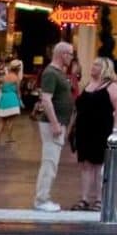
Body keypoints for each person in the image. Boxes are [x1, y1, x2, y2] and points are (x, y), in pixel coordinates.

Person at [70, 56, 117, 210]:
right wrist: (72, 128)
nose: (93, 67)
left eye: (97, 65)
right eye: (93, 64)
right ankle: (84, 198)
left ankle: (99, 199)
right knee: (85, 164)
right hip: (84, 130)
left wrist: (115, 131)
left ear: (105, 68)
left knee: (98, 166)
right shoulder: (87, 84)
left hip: (102, 130)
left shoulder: (111, 86)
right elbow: (78, 109)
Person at [32, 42, 75, 211]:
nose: (72, 58)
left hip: (57, 122)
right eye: (70, 54)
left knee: (51, 162)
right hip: (52, 124)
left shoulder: (57, 73)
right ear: (63, 54)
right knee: (50, 162)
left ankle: (43, 197)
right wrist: (55, 123)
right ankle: (42, 199)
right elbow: (46, 99)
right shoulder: (51, 73)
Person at [0, 56, 25, 145]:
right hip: (12, 99)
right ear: (17, 69)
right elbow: (18, 92)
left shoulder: (4, 77)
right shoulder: (16, 79)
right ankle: (10, 137)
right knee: (11, 120)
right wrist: (21, 101)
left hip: (4, 99)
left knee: (2, 120)